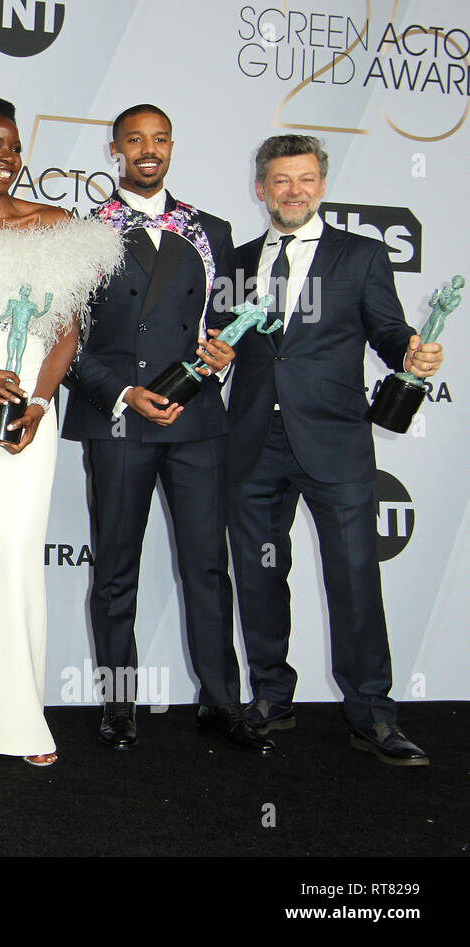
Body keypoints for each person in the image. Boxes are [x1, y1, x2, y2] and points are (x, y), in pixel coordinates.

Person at [61, 104, 272, 754]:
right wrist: (124, 392)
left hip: (197, 420)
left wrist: (226, 349)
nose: (147, 150)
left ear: (172, 146)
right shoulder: (87, 230)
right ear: (115, 148)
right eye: (134, 140)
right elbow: (63, 342)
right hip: (120, 418)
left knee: (208, 567)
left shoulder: (212, 229)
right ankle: (119, 706)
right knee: (116, 570)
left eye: (158, 140)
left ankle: (220, 701)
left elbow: (228, 321)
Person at [228, 135, 444, 766]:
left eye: (305, 179)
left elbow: (388, 329)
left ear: (321, 185)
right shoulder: (239, 261)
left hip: (335, 440)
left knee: (354, 579)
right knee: (262, 577)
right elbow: (223, 345)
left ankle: (373, 716)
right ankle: (271, 696)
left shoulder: (361, 255)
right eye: (279, 180)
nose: (293, 191)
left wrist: (412, 350)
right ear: (260, 187)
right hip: (253, 442)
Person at [0, 98, 122, 766]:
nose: (7, 157)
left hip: (29, 410)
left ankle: (21, 717)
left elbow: (66, 333)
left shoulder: (56, 226)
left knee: (14, 557)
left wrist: (40, 401)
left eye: (13, 146)